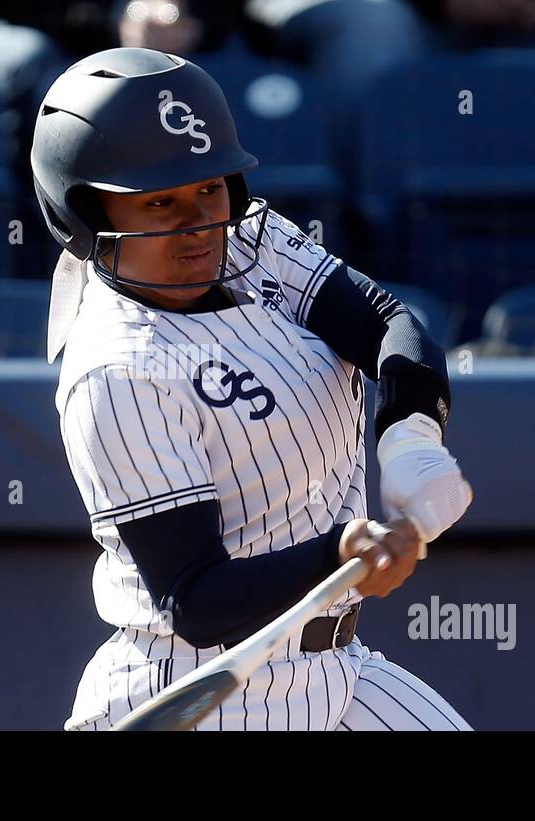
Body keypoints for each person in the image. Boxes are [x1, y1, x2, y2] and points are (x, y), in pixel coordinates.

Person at [34, 47, 474, 730]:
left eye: (209, 187)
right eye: (159, 201)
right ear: (85, 215)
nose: (197, 224)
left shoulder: (246, 242)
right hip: (205, 683)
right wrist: (340, 552)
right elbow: (196, 598)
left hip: (339, 667)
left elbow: (385, 323)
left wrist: (410, 435)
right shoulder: (116, 369)